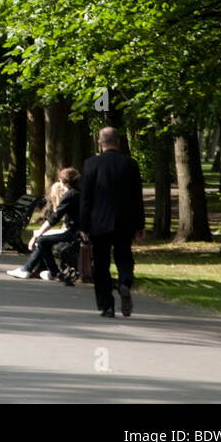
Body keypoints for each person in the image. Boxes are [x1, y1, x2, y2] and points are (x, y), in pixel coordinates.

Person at [79, 127, 145, 318]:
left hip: (99, 222)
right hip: (125, 221)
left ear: (99, 143)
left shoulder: (91, 164)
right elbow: (137, 197)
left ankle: (106, 305)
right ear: (118, 142)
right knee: (124, 256)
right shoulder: (130, 164)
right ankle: (124, 282)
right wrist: (139, 224)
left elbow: (86, 199)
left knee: (101, 264)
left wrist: (83, 226)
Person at [7, 168, 80, 280]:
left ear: (62, 181)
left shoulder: (70, 196)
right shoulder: (78, 193)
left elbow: (54, 218)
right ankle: (39, 269)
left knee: (42, 240)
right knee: (43, 239)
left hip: (74, 233)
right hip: (77, 231)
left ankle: (43, 271)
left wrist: (37, 234)